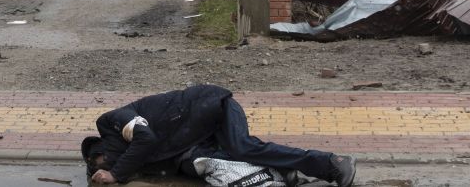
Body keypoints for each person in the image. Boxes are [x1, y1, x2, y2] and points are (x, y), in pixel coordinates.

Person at [81, 84, 356, 186]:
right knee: (207, 160)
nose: (100, 165)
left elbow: (146, 138)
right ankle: (283, 172)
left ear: (102, 146)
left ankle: (332, 162)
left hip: (214, 106)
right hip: (204, 129)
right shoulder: (136, 155)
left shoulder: (113, 121)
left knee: (243, 147)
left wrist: (115, 173)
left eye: (98, 160)